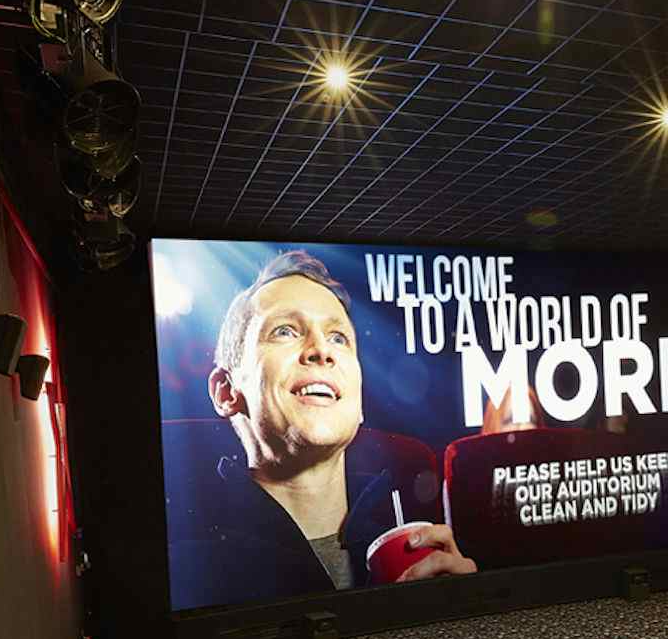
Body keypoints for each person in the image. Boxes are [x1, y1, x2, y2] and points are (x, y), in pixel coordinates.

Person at [169, 250, 477, 609]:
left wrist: (467, 609)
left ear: (358, 403)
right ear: (226, 392)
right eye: (285, 331)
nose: (321, 351)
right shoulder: (187, 563)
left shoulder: (410, 523)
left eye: (338, 338)